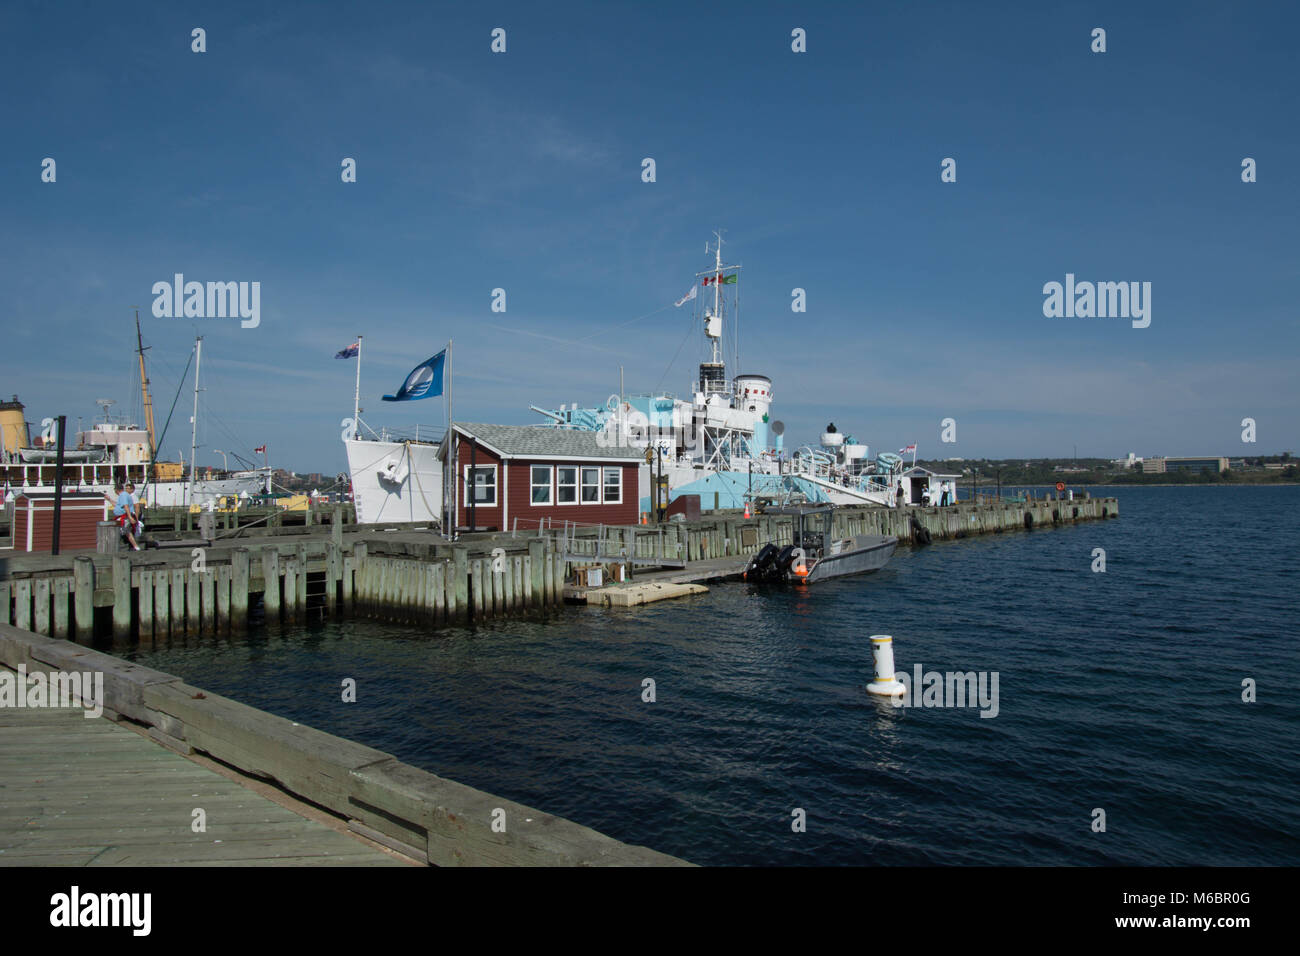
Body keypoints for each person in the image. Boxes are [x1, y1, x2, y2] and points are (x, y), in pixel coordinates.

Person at [107, 481, 141, 550]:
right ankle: (135, 546)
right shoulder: (123, 495)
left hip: (124, 516)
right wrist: (109, 500)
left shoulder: (123, 495)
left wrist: (130, 517)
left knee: (123, 530)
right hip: (123, 516)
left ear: (116, 490)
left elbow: (126, 506)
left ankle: (134, 546)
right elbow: (118, 505)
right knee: (126, 531)